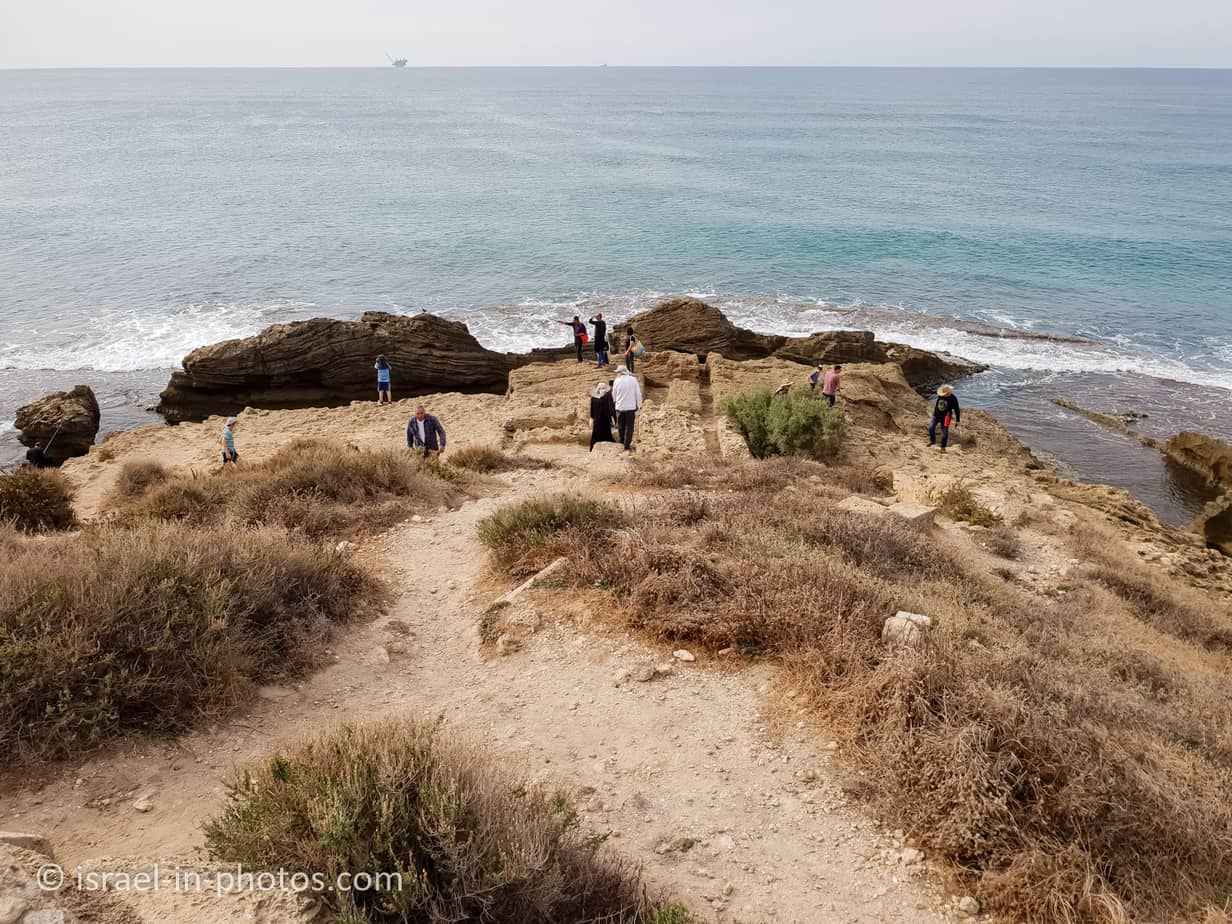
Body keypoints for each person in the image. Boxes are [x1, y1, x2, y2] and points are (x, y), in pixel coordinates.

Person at [612, 365, 643, 452]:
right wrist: (639, 405)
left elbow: (614, 394)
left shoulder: (617, 380)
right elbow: (638, 394)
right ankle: (626, 446)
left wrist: (615, 401)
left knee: (621, 426)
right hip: (630, 408)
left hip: (619, 407)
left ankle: (622, 442)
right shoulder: (633, 380)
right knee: (629, 427)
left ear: (620, 372)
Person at [928, 385, 961, 452]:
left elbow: (957, 409)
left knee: (944, 433)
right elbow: (937, 404)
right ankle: (933, 441)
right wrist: (935, 413)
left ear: (948, 392)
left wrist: (957, 420)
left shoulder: (953, 398)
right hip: (936, 416)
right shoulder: (940, 396)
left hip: (946, 417)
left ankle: (943, 447)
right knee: (931, 428)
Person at [588, 382, 617, 450]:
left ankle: (592, 448)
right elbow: (610, 409)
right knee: (607, 435)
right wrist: (612, 419)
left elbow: (592, 410)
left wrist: (592, 418)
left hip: (597, 421)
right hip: (605, 420)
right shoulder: (607, 397)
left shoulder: (593, 398)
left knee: (595, 435)